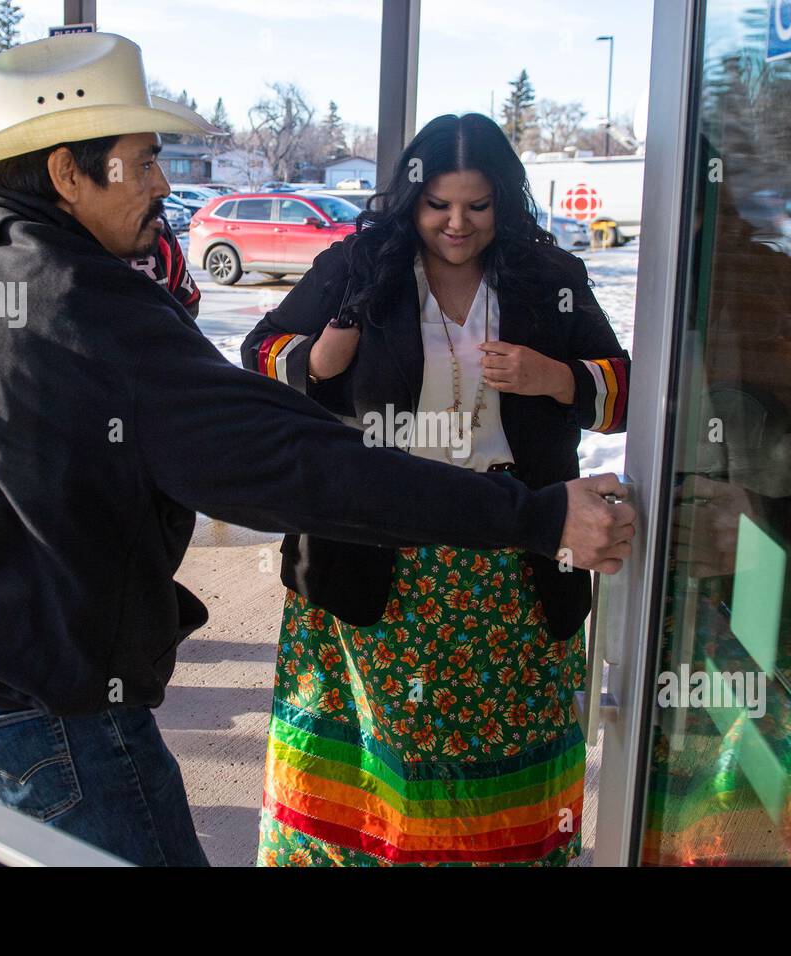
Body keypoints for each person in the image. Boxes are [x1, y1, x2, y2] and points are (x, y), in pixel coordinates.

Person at [0, 33, 633, 867]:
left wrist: (554, 384)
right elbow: (288, 459)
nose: (164, 186)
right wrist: (532, 516)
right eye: (142, 163)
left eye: (479, 205)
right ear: (68, 172)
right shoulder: (80, 304)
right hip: (52, 707)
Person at [241, 113, 631, 866]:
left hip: (513, 563)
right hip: (375, 561)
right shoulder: (362, 266)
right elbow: (259, 356)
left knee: (500, 756)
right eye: (438, 205)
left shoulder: (547, 278)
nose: (457, 224)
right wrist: (321, 360)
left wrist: (555, 377)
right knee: (385, 772)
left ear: (503, 201)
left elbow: (623, 394)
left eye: (478, 206)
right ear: (410, 199)